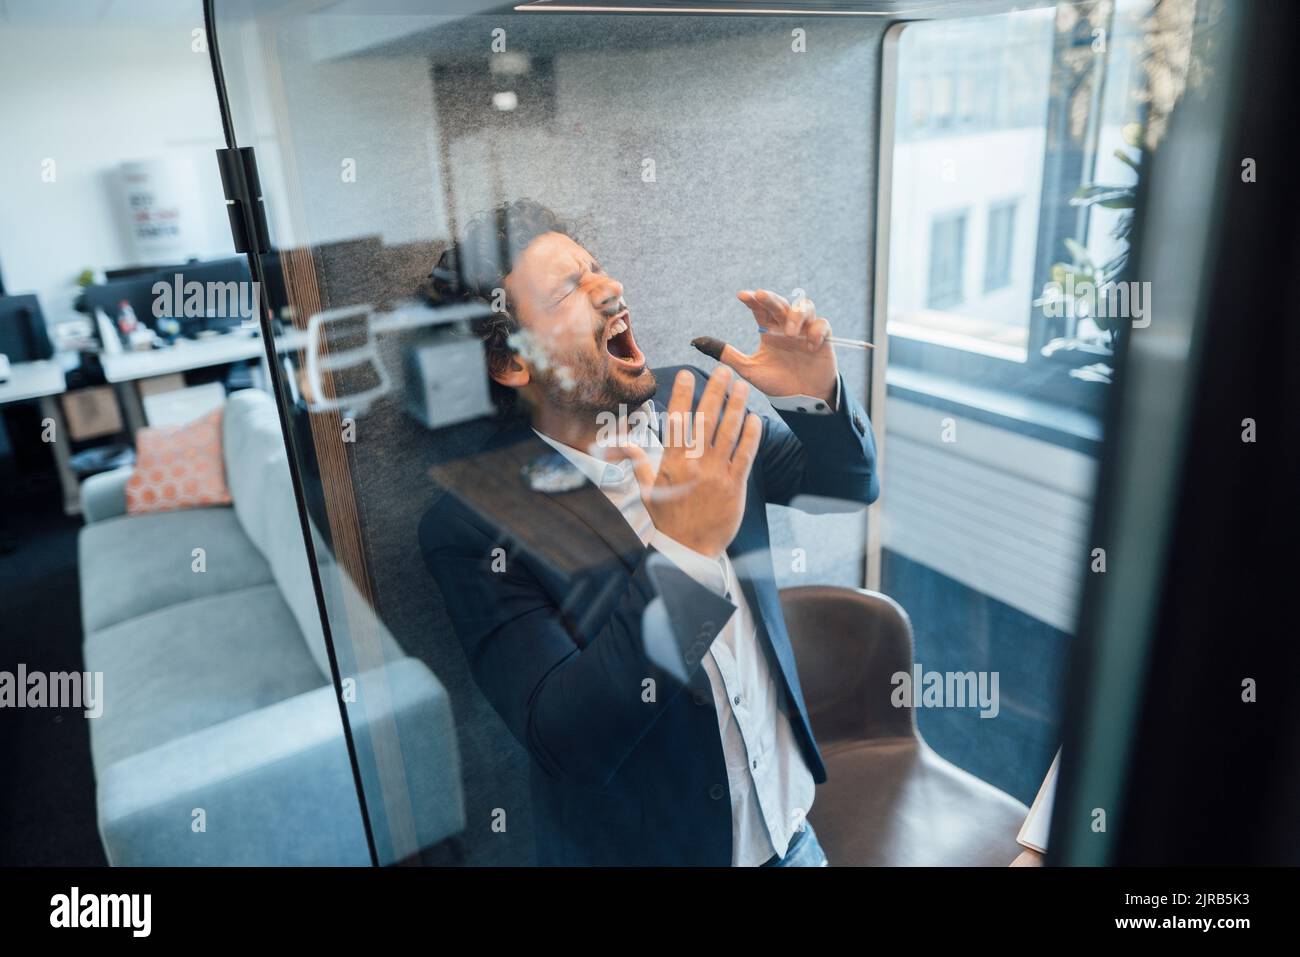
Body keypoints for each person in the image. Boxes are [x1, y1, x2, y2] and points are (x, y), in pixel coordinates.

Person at [419, 199, 879, 865]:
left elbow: (846, 484)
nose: (611, 287)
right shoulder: (473, 526)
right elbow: (569, 739)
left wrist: (813, 394)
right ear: (512, 364)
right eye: (569, 289)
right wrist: (684, 555)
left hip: (795, 836)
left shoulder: (692, 396)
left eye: (598, 270)